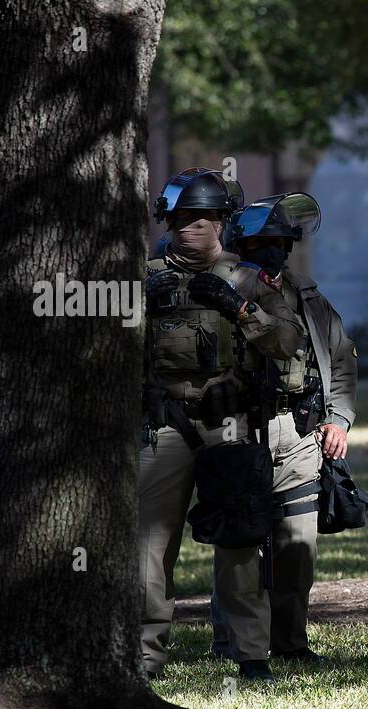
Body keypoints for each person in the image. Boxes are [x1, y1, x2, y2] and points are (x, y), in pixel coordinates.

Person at [141, 168, 305, 681]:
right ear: (168, 219)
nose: (194, 227)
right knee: (149, 546)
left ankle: (251, 655)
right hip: (163, 425)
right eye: (185, 218)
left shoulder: (250, 278)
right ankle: (145, 656)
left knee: (239, 543)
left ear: (222, 221)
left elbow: (288, 342)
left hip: (231, 426)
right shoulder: (144, 279)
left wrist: (239, 309)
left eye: (206, 218)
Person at [207, 193, 359, 672]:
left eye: (281, 243)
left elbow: (340, 360)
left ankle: (291, 641)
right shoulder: (213, 290)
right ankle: (231, 640)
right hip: (234, 430)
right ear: (239, 243)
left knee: (297, 545)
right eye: (262, 243)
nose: (273, 252)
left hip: (298, 432)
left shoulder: (306, 294)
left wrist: (339, 417)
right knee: (239, 540)